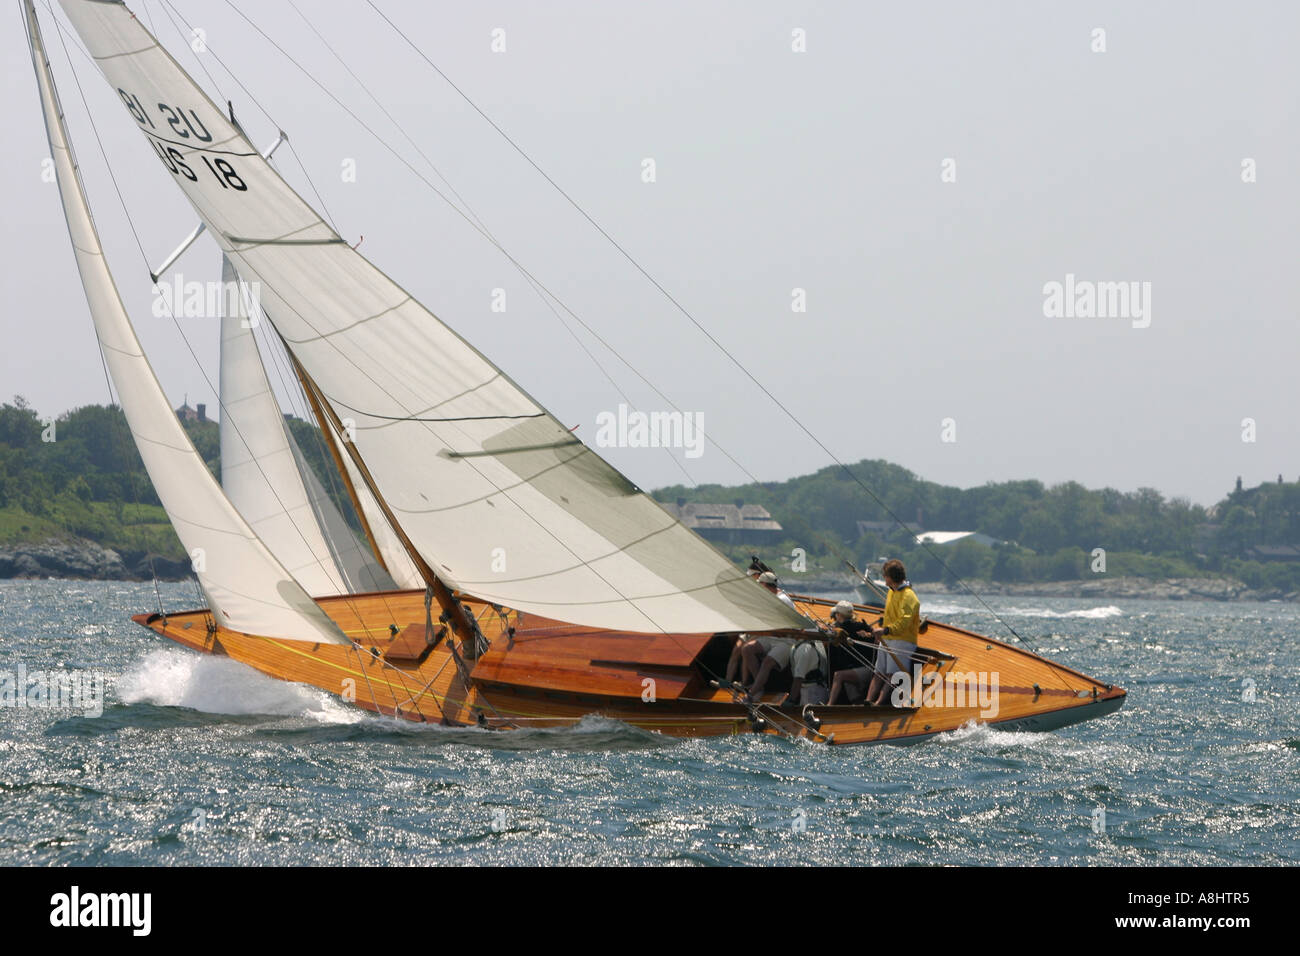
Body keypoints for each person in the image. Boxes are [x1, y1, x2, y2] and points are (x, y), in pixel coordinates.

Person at [865, 559, 921, 707]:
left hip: (902, 640)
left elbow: (904, 621)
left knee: (892, 675)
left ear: (891, 577)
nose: (884, 578)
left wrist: (885, 630)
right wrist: (881, 630)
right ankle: (867, 701)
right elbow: (889, 615)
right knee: (879, 672)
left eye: (885, 576)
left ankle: (878, 704)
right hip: (887, 638)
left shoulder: (909, 596)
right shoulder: (891, 592)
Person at [824, 599, 878, 705]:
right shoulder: (861, 626)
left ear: (839, 615)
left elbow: (835, 632)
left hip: (867, 670)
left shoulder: (840, 630)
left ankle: (829, 705)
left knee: (839, 676)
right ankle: (857, 704)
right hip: (865, 668)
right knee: (846, 678)